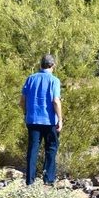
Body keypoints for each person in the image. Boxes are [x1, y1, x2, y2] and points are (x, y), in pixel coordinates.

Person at [22, 54, 63, 185]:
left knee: (33, 149)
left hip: (33, 119)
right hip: (49, 121)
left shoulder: (31, 78)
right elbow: (56, 101)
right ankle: (48, 179)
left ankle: (30, 181)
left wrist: (26, 112)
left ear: (41, 64)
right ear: (53, 66)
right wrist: (60, 119)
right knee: (51, 148)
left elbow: (22, 100)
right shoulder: (54, 80)